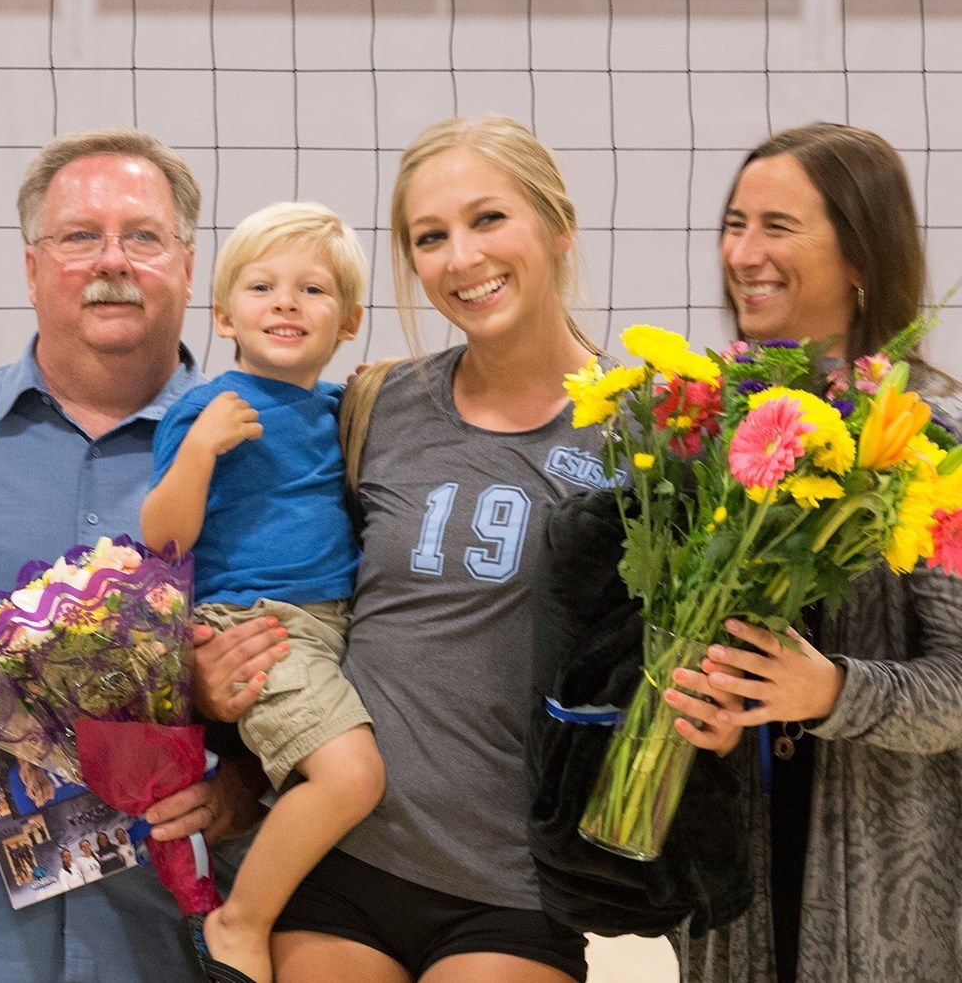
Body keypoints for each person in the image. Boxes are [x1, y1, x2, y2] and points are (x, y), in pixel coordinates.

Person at [196, 116, 675, 983]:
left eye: (488, 219)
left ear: (559, 226)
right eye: (430, 236)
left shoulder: (644, 433)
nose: (462, 257)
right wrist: (212, 687)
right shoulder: (377, 405)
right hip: (340, 857)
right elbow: (273, 575)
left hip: (514, 884)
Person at [0, 127, 270, 983]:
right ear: (32, 269)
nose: (113, 260)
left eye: (143, 236)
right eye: (79, 236)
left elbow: (340, 669)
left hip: (173, 952)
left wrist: (242, 789)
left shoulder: (267, 451)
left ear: (188, 266)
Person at [674, 122, 962, 983]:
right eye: (735, 223)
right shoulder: (704, 427)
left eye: (777, 226)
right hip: (732, 907)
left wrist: (830, 690)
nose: (743, 253)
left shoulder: (930, 438)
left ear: (860, 255)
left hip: (887, 914)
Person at [141, 201, 385, 983]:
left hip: (333, 624)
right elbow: (163, 539)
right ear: (223, 316)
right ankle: (241, 919)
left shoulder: (338, 407)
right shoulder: (208, 408)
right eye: (262, 286)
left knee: (356, 775)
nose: (286, 302)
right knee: (351, 776)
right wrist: (200, 451)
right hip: (257, 622)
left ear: (349, 321)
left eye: (312, 289)